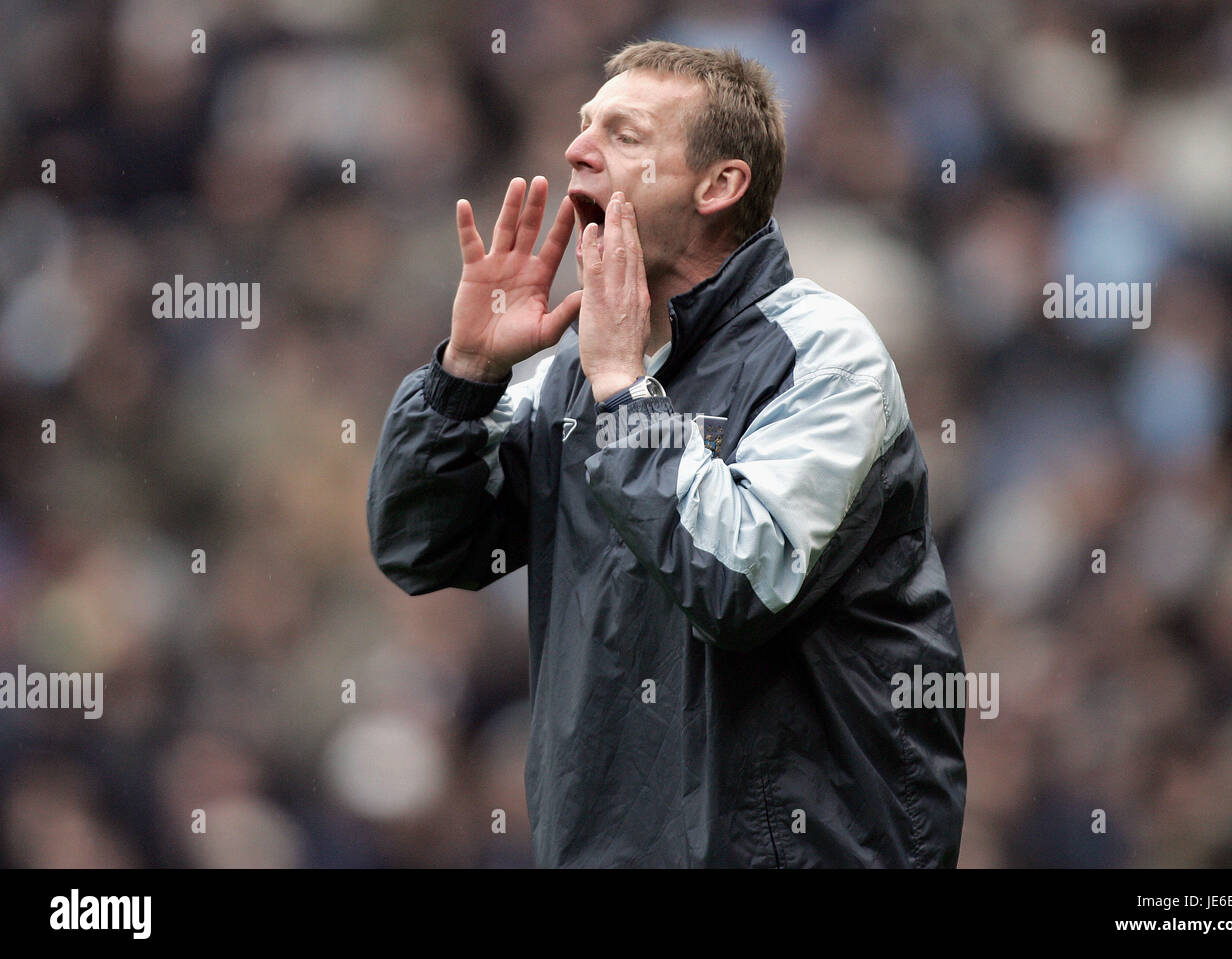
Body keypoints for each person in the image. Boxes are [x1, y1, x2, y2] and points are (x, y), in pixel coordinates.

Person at [367, 40, 966, 867]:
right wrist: (463, 378)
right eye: (583, 127)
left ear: (719, 185)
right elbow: (419, 546)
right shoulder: (568, 378)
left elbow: (739, 579)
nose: (577, 149)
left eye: (624, 134)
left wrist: (622, 392)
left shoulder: (825, 357)